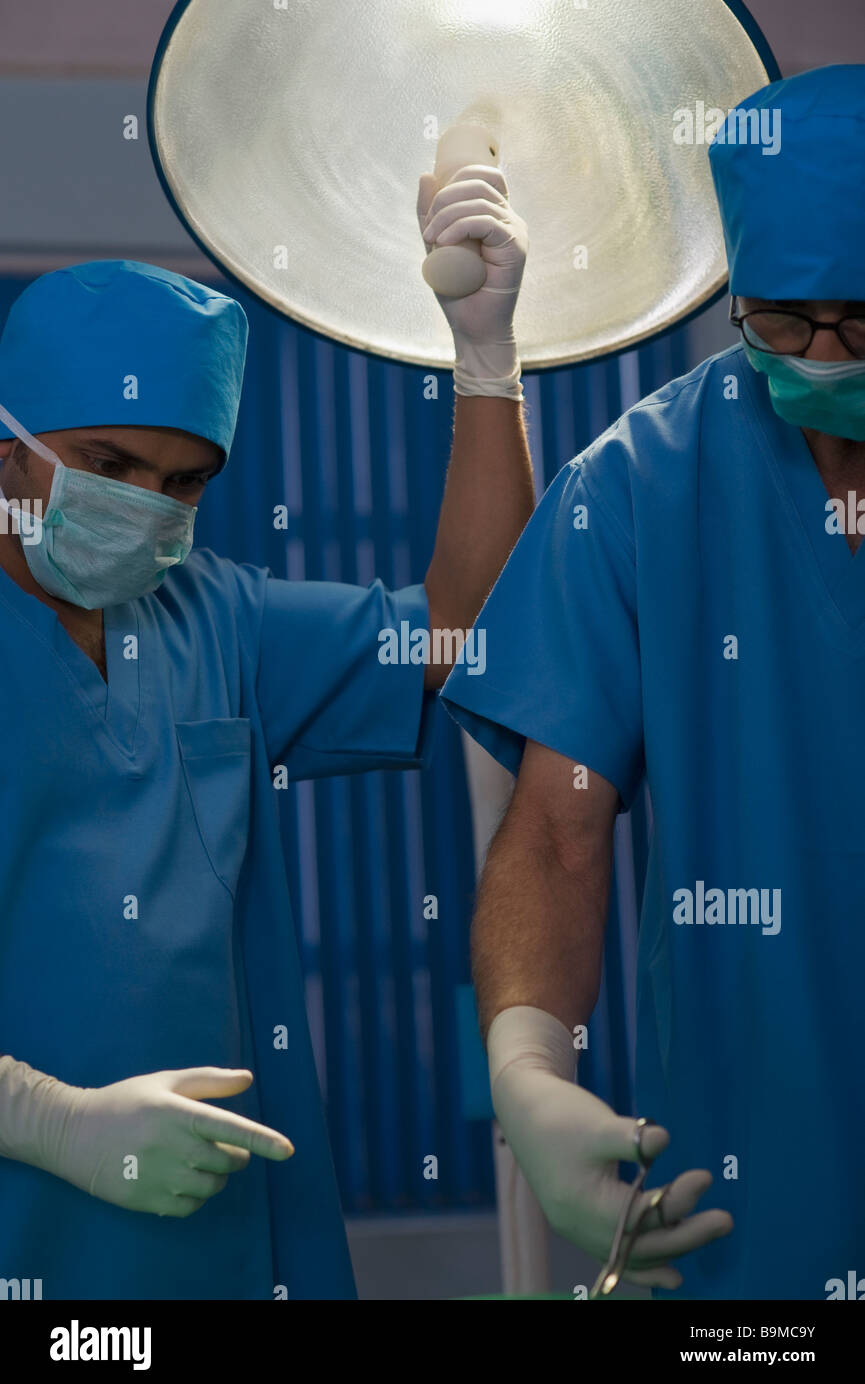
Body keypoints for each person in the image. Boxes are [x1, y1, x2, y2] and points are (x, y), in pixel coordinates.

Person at [0, 161, 532, 1299]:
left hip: (227, 1222)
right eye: (108, 466)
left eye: (184, 483)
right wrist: (47, 1121)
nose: (148, 503)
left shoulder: (215, 616)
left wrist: (486, 365)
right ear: (10, 444)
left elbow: (462, 632)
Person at [440, 63, 865, 1300]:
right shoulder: (640, 483)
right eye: (782, 322)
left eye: (862, 321)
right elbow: (558, 831)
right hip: (756, 1196)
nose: (824, 361)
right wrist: (529, 1069)